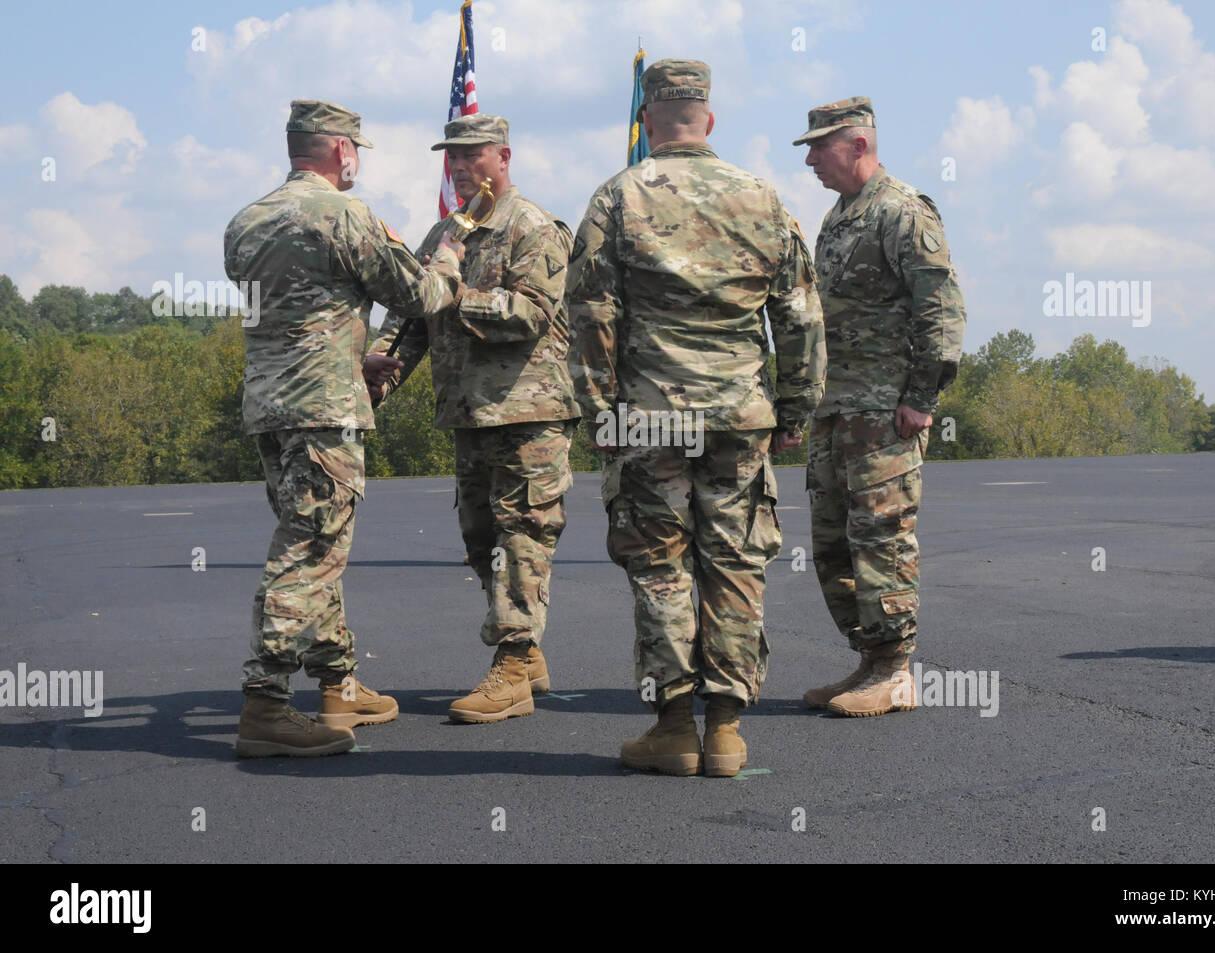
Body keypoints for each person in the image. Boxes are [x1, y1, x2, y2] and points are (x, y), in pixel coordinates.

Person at [567, 60, 826, 777]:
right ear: (708, 121)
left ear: (648, 121)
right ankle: (728, 731)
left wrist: (597, 411)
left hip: (650, 418)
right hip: (740, 414)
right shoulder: (762, 198)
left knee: (660, 566)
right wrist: (796, 406)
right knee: (736, 562)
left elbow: (590, 314)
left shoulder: (617, 196)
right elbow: (800, 316)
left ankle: (674, 725)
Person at [225, 99, 463, 757]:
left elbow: (286, 318)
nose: (357, 158)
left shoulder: (245, 222)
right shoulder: (345, 215)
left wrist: (350, 355)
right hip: (324, 411)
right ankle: (266, 703)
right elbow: (418, 295)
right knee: (309, 548)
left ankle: (337, 680)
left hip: (270, 407)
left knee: (313, 539)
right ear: (339, 150)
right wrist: (447, 256)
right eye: (357, 147)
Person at [368, 114, 579, 724]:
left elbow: (529, 315)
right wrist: (386, 367)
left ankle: (511, 668)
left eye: (471, 156)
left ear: (503, 157)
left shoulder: (534, 227)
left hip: (526, 413)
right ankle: (528, 652)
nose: (460, 167)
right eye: (452, 158)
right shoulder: (445, 231)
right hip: (467, 415)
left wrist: (454, 282)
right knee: (480, 541)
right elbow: (415, 315)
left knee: (522, 537)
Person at [794, 97, 966, 716]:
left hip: (884, 413)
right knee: (835, 544)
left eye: (820, 146)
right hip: (836, 411)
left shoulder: (901, 212)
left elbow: (940, 310)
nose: (811, 159)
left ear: (858, 144)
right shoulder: (839, 218)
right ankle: (868, 660)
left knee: (882, 538)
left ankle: (896, 671)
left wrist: (921, 398)